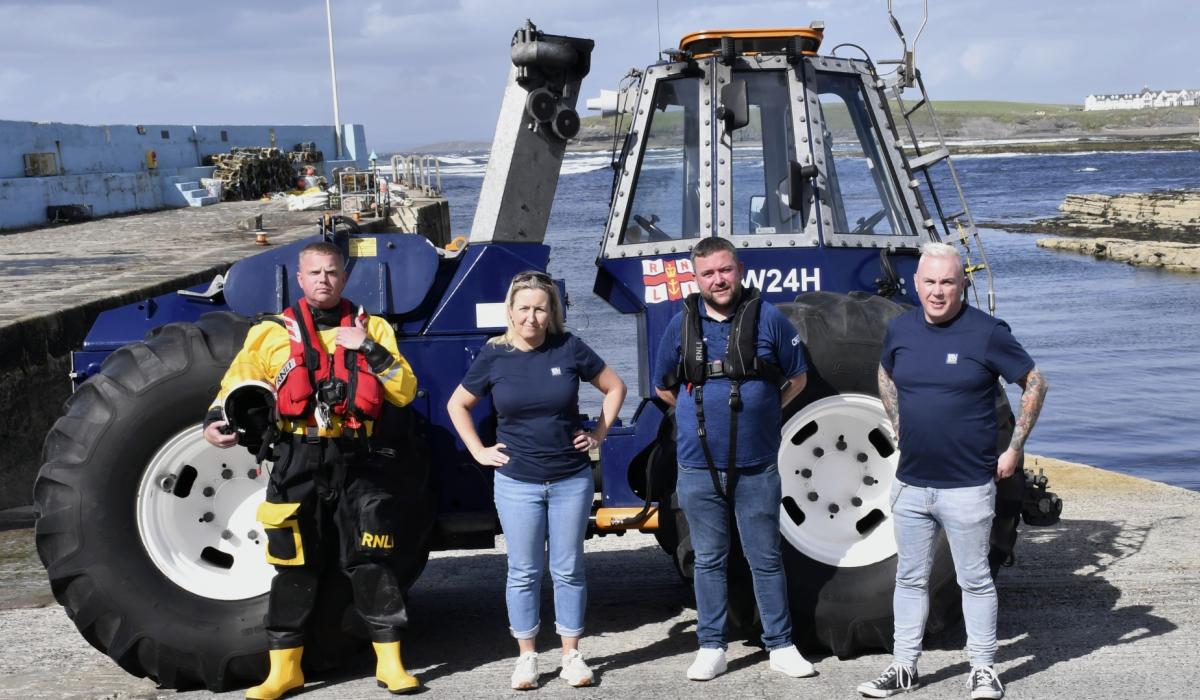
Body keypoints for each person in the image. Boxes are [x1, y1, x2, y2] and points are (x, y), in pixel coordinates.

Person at [203, 240, 421, 699]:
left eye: (332, 272)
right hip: (297, 459)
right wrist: (214, 421)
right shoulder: (269, 334)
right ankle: (285, 670)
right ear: (299, 280)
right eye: (315, 273)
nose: (325, 280)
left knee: (371, 559)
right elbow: (234, 386)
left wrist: (370, 351)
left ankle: (391, 664)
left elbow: (403, 391)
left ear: (344, 278)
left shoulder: (373, 327)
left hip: (357, 459)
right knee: (293, 564)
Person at [859, 242, 1048, 700]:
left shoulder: (987, 333)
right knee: (909, 577)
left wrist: (1016, 448)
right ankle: (904, 667)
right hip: (910, 485)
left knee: (975, 579)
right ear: (916, 283)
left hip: (967, 487)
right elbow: (885, 374)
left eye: (947, 282)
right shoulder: (900, 328)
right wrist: (899, 424)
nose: (937, 292)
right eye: (929, 282)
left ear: (962, 284)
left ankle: (982, 669)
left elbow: (1035, 382)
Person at [446, 271, 626, 691]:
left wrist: (599, 433)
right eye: (524, 308)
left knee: (568, 569)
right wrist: (478, 450)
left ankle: (571, 655)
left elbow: (615, 387)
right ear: (511, 311)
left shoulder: (569, 348)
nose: (531, 317)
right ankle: (527, 657)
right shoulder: (494, 355)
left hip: (570, 479)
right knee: (523, 571)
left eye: (540, 308)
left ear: (551, 313)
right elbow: (458, 404)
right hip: (516, 482)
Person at [653, 237, 816, 682]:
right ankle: (711, 646)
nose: (718, 280)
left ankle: (781, 645)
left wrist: (766, 411)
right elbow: (663, 386)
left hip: (757, 465)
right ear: (696, 277)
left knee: (765, 557)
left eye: (724, 270)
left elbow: (798, 377)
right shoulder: (681, 325)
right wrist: (691, 417)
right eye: (708, 273)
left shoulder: (770, 319)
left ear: (738, 269)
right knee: (708, 559)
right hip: (697, 466)